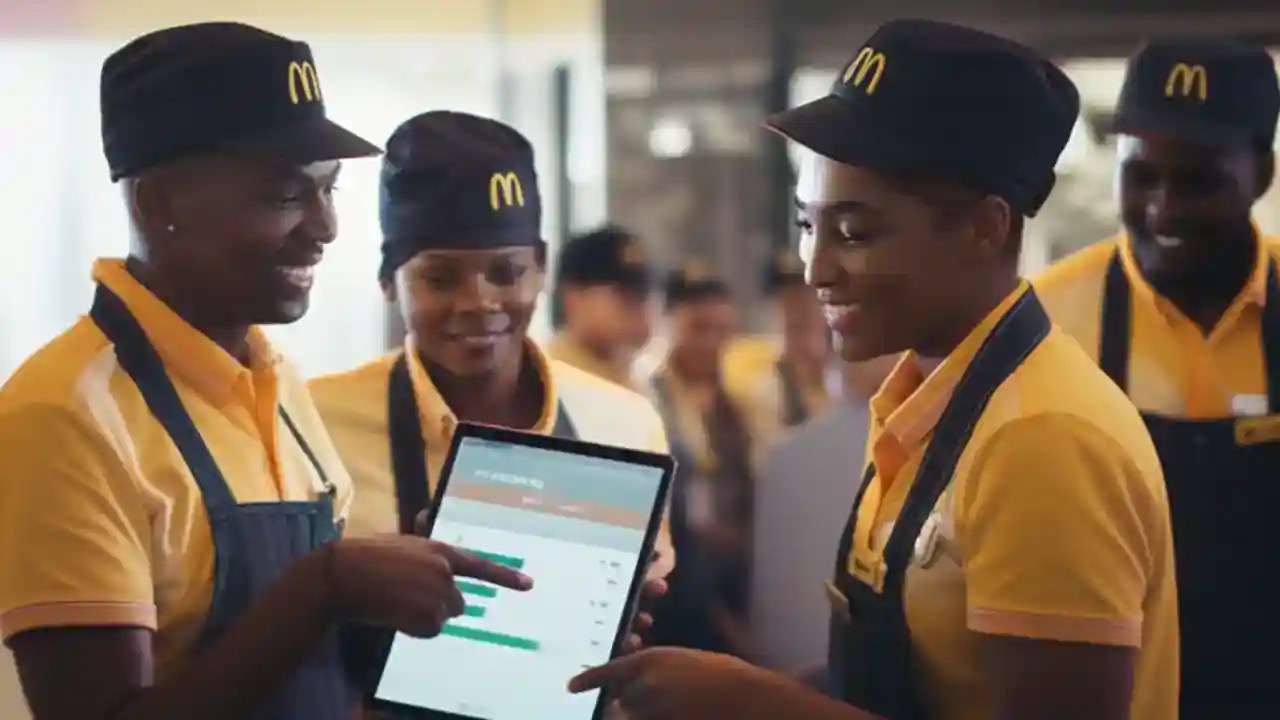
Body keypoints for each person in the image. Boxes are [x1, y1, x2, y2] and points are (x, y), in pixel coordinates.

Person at [570, 19, 1179, 720]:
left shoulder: (1042, 441)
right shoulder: (927, 400)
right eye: (808, 224)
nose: (817, 267)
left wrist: (757, 703)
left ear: (987, 228)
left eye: (855, 232)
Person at [0, 23, 532, 720]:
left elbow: (310, 667)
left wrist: (429, 592)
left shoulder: (275, 381)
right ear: (158, 205)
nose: (326, 227)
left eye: (328, 190)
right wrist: (323, 587)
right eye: (285, 195)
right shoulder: (64, 416)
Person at [308, 111, 675, 582]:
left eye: (507, 273)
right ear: (388, 282)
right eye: (440, 278)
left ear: (541, 270)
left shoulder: (625, 423)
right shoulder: (315, 425)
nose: (479, 303)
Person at [1033, 40, 1280, 718]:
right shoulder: (1046, 322)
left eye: (1198, 181)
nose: (1164, 210)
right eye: (1141, 177)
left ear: (1260, 173)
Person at [647, 263, 756, 658]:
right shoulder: (647, 398)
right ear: (670, 323)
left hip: (733, 568)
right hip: (677, 578)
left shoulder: (737, 403)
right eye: (698, 328)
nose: (710, 343)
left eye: (720, 331)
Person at [741, 249, 837, 452]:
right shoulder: (761, 389)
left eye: (810, 296)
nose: (798, 310)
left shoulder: (849, 378)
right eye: (787, 299)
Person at [548, 225, 656, 391]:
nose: (638, 305)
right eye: (624, 294)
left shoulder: (641, 385)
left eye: (643, 293)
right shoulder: (546, 382)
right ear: (573, 297)